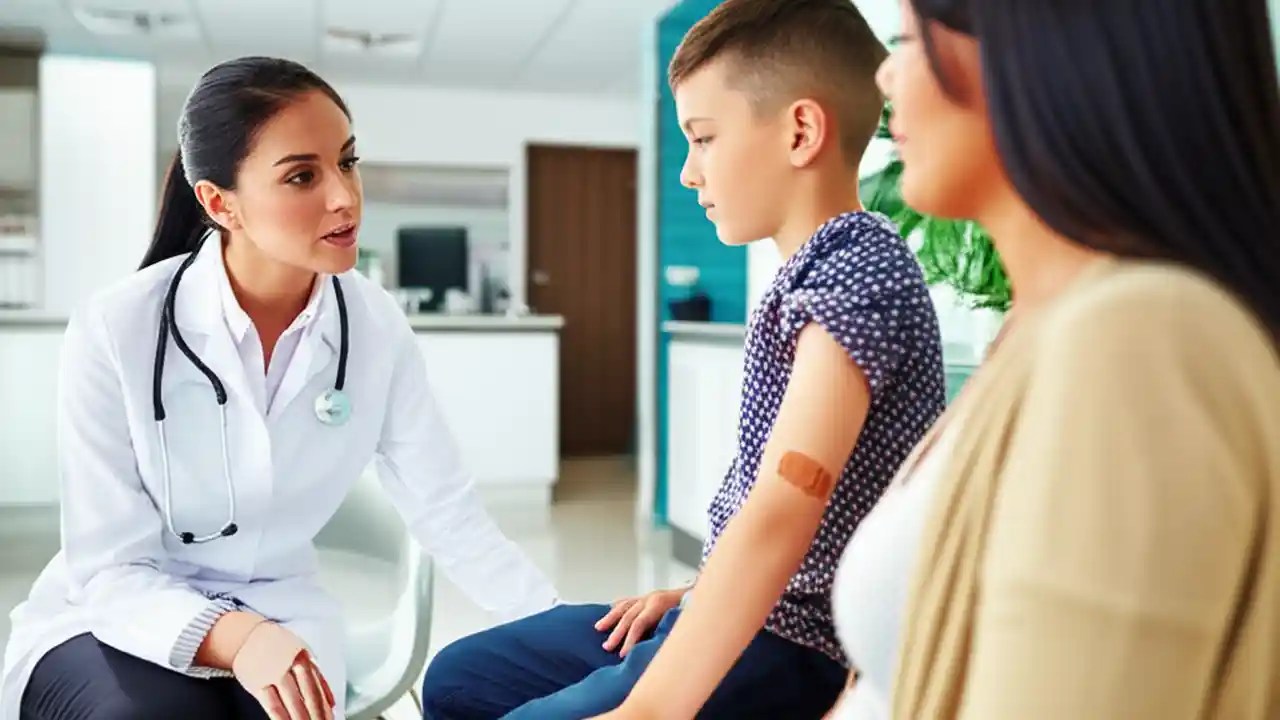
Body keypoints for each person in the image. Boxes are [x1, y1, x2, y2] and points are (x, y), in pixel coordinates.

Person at [420, 1, 946, 718]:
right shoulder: (808, 271)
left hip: (791, 648)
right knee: (458, 679)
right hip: (741, 612)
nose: (690, 174)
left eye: (703, 140)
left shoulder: (860, 270)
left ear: (800, 131)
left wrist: (648, 709)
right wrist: (693, 598)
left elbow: (784, 508)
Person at [0, 56, 559, 720]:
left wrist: (567, 630)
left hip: (282, 608)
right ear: (219, 203)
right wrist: (241, 638)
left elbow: (450, 517)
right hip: (112, 617)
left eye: (347, 162)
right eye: (302, 176)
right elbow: (110, 566)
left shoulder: (375, 329)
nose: (344, 197)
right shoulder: (119, 327)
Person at [825, 0, 1280, 718]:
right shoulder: (1049, 330)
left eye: (909, 39)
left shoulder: (1139, 349)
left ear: (1034, 53)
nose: (885, 74)